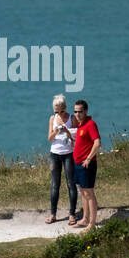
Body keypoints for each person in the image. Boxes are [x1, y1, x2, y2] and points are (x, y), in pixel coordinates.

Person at [46, 95, 78, 225]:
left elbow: (75, 138)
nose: (59, 113)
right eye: (57, 111)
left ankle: (72, 214)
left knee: (71, 184)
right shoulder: (52, 118)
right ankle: (53, 213)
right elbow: (49, 138)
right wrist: (55, 131)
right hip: (55, 154)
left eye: (61, 111)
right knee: (55, 185)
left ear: (65, 108)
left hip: (68, 154)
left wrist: (65, 129)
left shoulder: (72, 118)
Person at [71, 99, 101, 230]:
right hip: (78, 164)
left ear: (86, 111)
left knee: (89, 193)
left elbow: (97, 143)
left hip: (87, 165)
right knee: (82, 192)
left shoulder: (90, 124)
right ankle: (85, 218)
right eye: (75, 111)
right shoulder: (80, 125)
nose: (77, 114)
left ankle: (92, 223)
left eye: (80, 111)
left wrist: (89, 158)